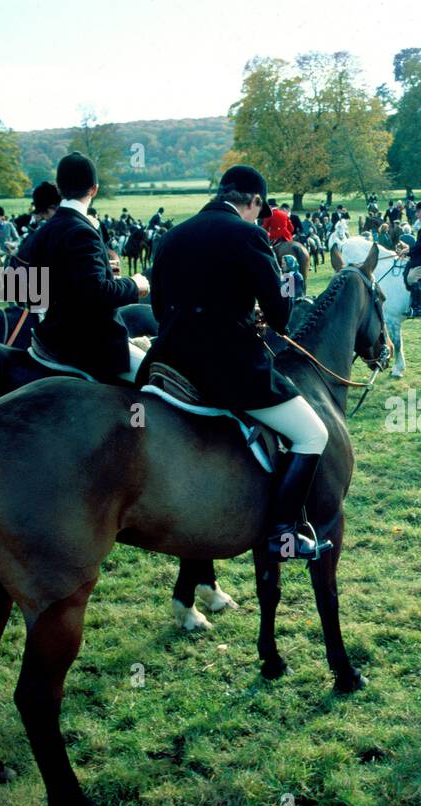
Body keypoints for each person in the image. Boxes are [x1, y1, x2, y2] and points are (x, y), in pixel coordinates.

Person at [138, 164, 331, 560]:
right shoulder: (249, 234)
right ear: (254, 201)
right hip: (227, 364)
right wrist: (289, 279)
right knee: (313, 434)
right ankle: (282, 533)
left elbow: (158, 307)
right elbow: (280, 315)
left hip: (168, 360)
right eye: (258, 211)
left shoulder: (172, 235)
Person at [19, 151, 148, 383]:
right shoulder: (81, 231)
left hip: (51, 337)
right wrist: (134, 285)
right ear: (94, 189)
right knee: (155, 377)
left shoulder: (44, 231)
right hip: (91, 342)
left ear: (59, 189)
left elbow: (38, 293)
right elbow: (97, 293)